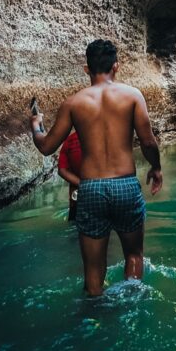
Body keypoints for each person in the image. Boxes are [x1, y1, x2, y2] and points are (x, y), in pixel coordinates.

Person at [29, 39, 163, 296]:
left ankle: (95, 316)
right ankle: (132, 304)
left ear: (86, 68)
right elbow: (148, 141)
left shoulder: (74, 103)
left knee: (92, 268)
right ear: (117, 66)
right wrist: (156, 168)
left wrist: (36, 124)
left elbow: (46, 146)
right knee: (134, 255)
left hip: (90, 189)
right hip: (125, 184)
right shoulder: (133, 96)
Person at [57, 130, 82, 221]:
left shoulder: (69, 140)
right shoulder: (102, 136)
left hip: (77, 193)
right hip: (102, 187)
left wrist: (82, 184)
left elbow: (62, 170)